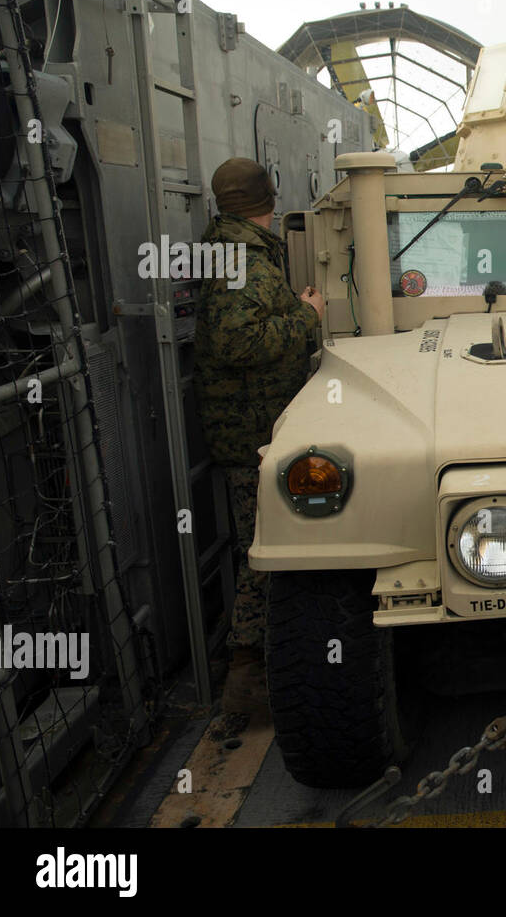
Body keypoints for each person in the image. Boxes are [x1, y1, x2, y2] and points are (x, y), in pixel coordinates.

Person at [193, 157, 324, 704]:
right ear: (268, 201)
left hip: (253, 427)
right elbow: (238, 343)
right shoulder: (243, 261)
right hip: (250, 435)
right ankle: (248, 675)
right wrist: (306, 315)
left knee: (268, 546)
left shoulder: (235, 252)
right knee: (263, 554)